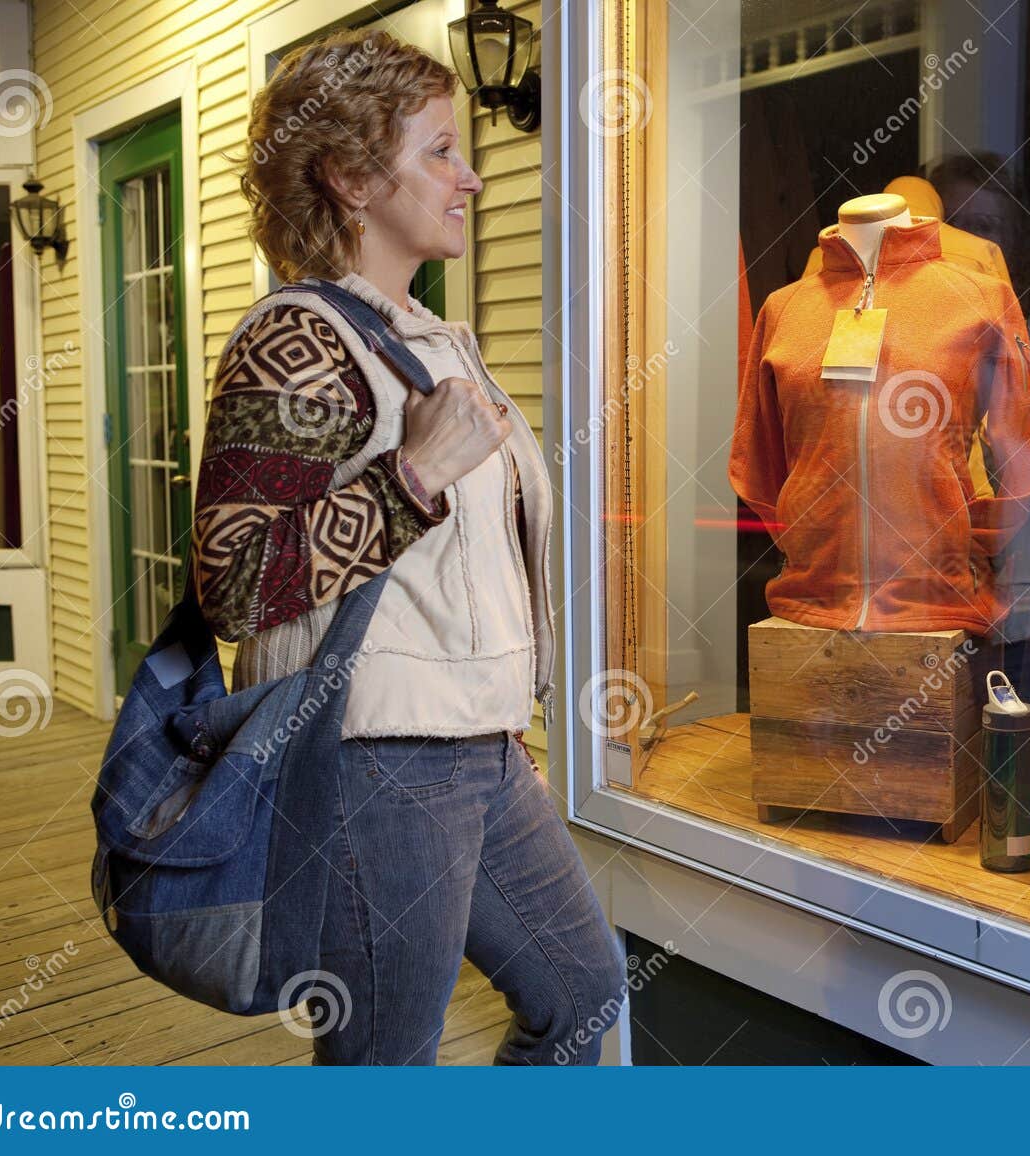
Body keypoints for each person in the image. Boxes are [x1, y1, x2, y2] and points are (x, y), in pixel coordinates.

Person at [190, 28, 625, 1065]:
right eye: (439, 149)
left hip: (477, 746)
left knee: (584, 993)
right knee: (387, 1057)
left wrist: (496, 700)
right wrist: (411, 478)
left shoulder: (421, 337)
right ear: (348, 176)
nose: (470, 176)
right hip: (371, 758)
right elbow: (235, 584)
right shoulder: (295, 340)